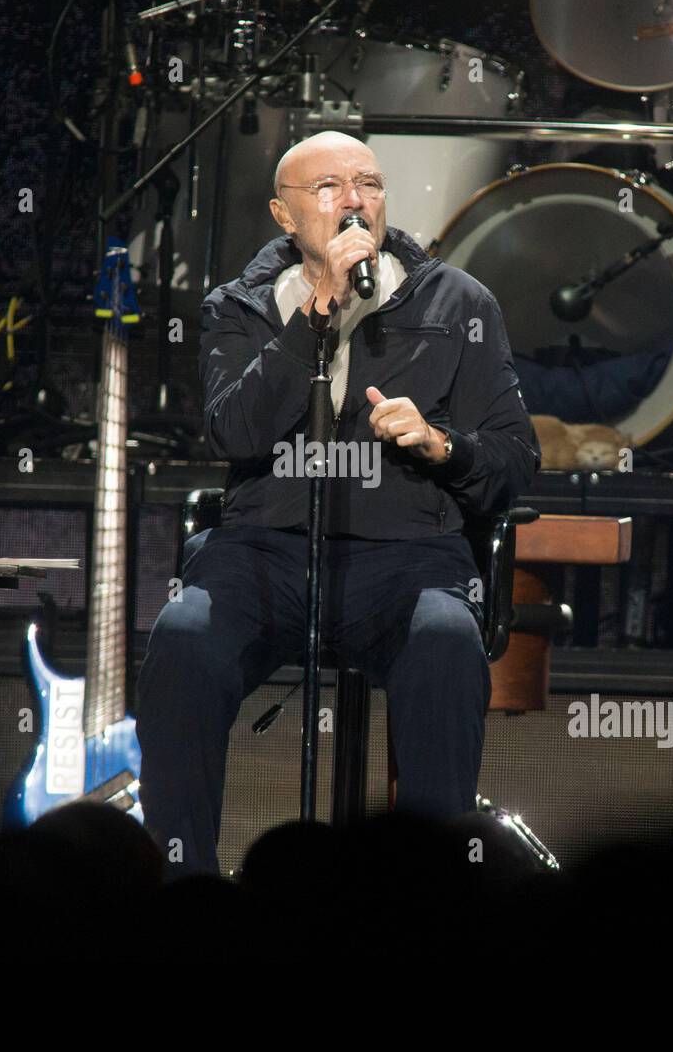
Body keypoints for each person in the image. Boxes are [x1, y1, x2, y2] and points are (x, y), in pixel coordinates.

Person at [136, 130, 540, 879]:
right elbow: (236, 429)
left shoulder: (460, 302)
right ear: (283, 216)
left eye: (369, 184)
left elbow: (516, 464)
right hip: (265, 552)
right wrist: (313, 316)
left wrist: (439, 444)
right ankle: (181, 880)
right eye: (328, 188)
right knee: (185, 637)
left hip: (408, 560)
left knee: (448, 641)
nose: (354, 200)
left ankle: (432, 884)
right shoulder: (239, 307)